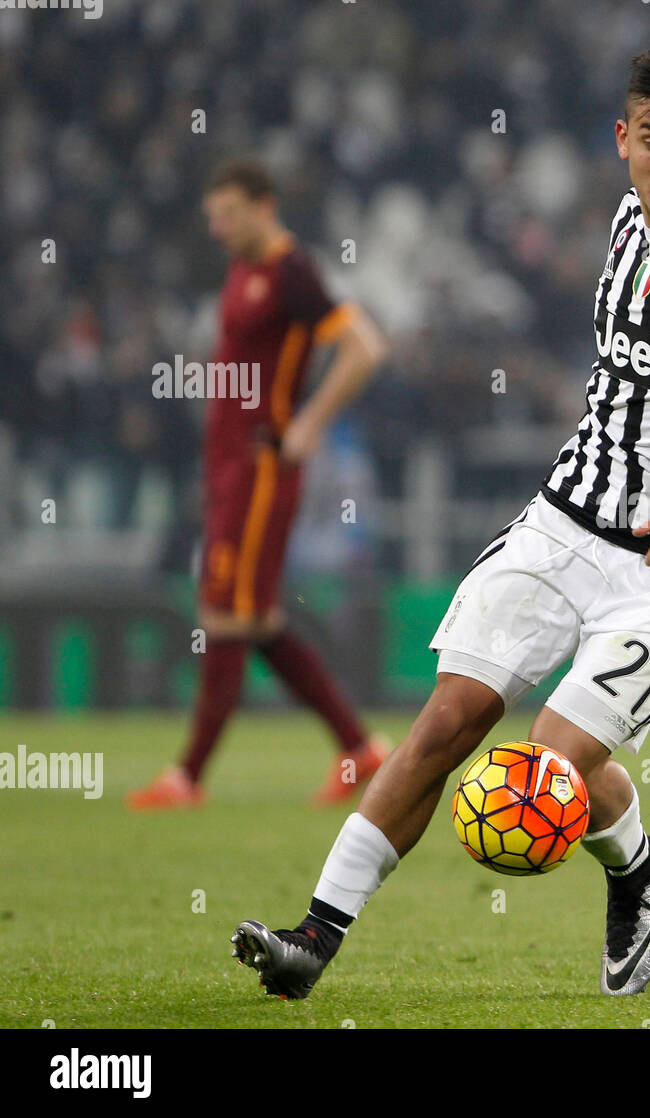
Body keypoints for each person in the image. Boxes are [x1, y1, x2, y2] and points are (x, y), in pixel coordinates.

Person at [230, 35, 650, 999]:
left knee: (547, 768)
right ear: (621, 139)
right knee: (447, 721)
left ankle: (634, 864)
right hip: (564, 520)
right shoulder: (620, 222)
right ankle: (314, 937)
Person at [128, 158, 391, 811]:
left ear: (264, 205)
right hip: (229, 468)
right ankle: (361, 752)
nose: (218, 228)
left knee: (224, 615)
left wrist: (308, 425)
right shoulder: (244, 271)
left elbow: (365, 346)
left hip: (261, 467)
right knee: (255, 618)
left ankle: (186, 777)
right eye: (213, 216)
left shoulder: (290, 272)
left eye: (229, 214)